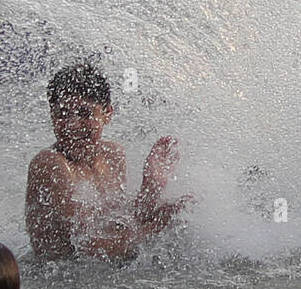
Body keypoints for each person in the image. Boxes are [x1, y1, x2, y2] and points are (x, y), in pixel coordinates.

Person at [26, 61, 190, 260]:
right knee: (166, 222)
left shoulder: (112, 155)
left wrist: (151, 187)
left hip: (100, 268)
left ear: (107, 114)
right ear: (52, 116)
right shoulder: (50, 164)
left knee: (181, 208)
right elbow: (88, 247)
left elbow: (123, 221)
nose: (72, 124)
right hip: (62, 276)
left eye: (85, 114)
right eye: (62, 114)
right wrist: (157, 228)